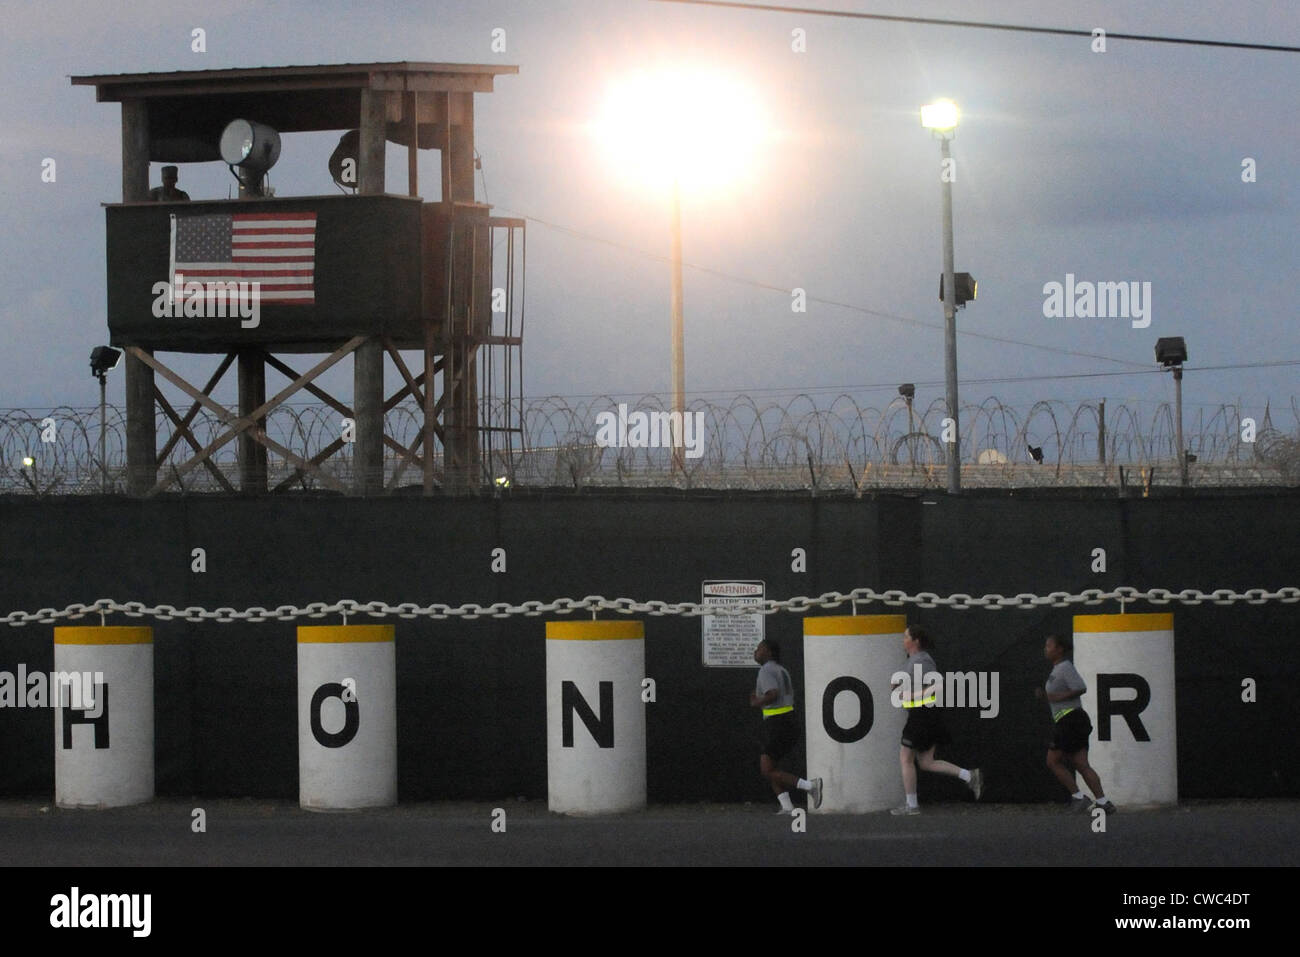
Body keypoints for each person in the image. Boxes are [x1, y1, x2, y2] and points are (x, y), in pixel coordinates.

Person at [890, 624, 982, 815]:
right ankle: (969, 775)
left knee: (905, 758)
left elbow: (938, 687)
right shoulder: (914, 660)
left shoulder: (922, 661)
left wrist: (911, 696)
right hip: (925, 715)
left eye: (906, 637)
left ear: (915, 641)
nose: (903, 640)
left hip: (922, 715)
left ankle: (912, 806)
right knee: (925, 762)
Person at [1037, 633, 1117, 814]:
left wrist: (1054, 697)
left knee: (1052, 761)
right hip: (1073, 720)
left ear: (1059, 649)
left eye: (1049, 646)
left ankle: (1078, 797)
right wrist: (1047, 697)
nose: (1046, 649)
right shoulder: (1057, 669)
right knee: (1081, 764)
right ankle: (1103, 802)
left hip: (1069, 720)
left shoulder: (1065, 667)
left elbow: (1080, 687)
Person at [750, 639, 822, 815]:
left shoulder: (766, 670)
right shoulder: (781, 669)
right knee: (772, 768)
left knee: (766, 769)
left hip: (778, 723)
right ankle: (787, 806)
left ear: (768, 652)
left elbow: (772, 694)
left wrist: (756, 702)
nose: (755, 651)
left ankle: (810, 786)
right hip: (788, 721)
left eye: (759, 648)